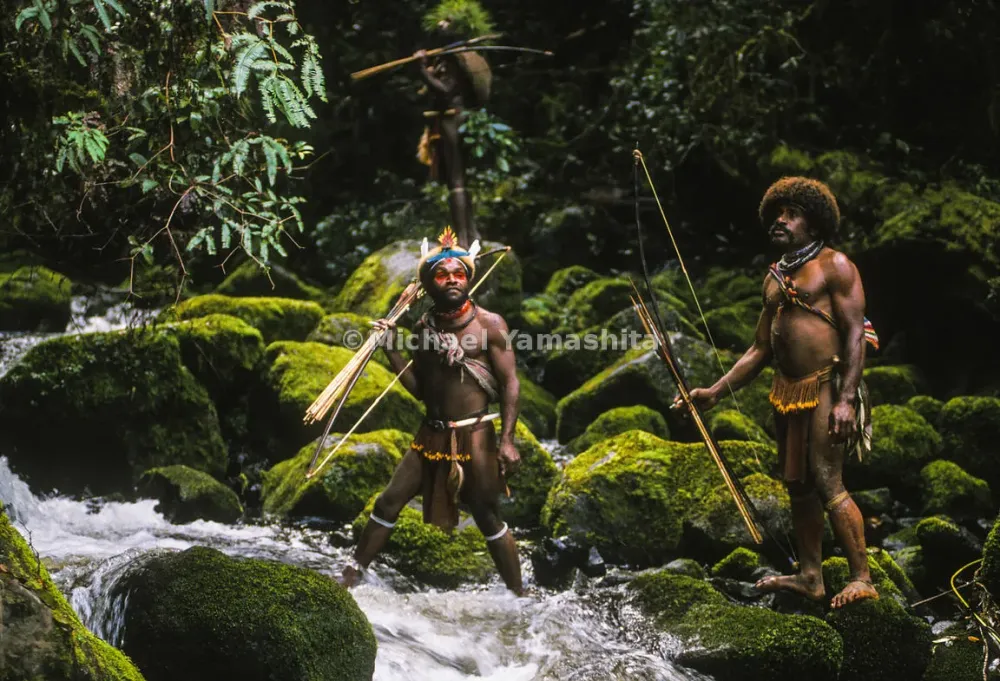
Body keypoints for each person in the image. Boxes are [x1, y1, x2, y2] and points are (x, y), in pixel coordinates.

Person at [676, 177, 879, 609]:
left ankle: (862, 577)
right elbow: (760, 349)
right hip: (788, 392)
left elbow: (855, 337)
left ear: (814, 221)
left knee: (827, 481)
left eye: (792, 214)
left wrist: (845, 399)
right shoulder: (776, 277)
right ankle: (811, 577)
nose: (781, 221)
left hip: (826, 384)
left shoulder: (835, 266)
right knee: (799, 486)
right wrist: (713, 391)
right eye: (778, 214)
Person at [341, 227, 523, 593]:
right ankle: (350, 576)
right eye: (442, 274)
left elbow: (510, 383)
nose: (452, 280)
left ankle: (521, 596)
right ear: (429, 283)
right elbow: (421, 390)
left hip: (475, 434)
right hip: (431, 433)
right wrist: (392, 349)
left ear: (469, 279)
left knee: (487, 515)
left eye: (459, 274)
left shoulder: (490, 324)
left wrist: (507, 440)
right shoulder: (425, 327)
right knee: (389, 500)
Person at [412, 41, 491, 248]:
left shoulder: (452, 59)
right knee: (457, 181)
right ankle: (470, 234)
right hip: (451, 120)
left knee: (456, 182)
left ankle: (464, 240)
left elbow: (445, 90)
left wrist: (421, 69)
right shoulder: (447, 58)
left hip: (453, 120)